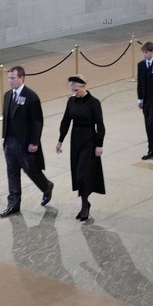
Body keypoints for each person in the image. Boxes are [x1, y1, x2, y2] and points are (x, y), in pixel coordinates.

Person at [0, 65, 54, 217]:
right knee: (12, 171)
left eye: (12, 78)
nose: (9, 81)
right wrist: (3, 137)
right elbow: (6, 119)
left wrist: (34, 142)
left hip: (25, 143)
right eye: (9, 78)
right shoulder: (7, 96)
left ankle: (46, 186)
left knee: (31, 169)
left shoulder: (31, 97)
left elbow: (37, 121)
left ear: (21, 78)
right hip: (10, 141)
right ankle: (13, 204)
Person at [55, 76, 106, 222]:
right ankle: (85, 202)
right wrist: (60, 141)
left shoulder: (94, 103)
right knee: (77, 174)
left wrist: (99, 144)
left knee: (82, 175)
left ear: (83, 86)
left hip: (89, 140)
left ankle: (85, 205)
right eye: (72, 90)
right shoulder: (71, 101)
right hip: (75, 139)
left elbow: (100, 125)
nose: (74, 92)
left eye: (77, 89)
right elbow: (65, 121)